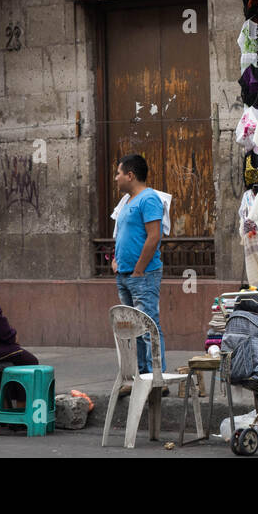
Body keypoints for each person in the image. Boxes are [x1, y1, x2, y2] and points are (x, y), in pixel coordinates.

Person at [112, 153, 166, 375]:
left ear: (130, 175)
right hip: (124, 275)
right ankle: (141, 374)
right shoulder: (126, 201)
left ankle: (156, 376)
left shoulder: (149, 199)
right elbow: (122, 234)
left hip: (142, 275)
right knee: (132, 329)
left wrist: (139, 270)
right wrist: (116, 262)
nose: (116, 178)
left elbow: (154, 236)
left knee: (148, 326)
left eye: (118, 173)